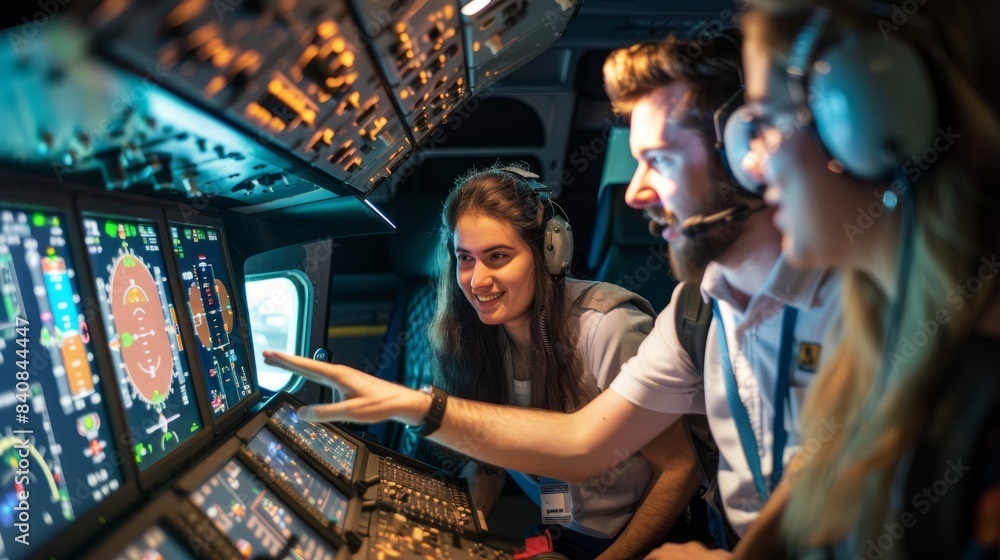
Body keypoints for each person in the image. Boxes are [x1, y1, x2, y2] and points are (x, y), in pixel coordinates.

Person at [262, 29, 841, 549]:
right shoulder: (693, 310)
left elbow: (713, 475)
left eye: (657, 159)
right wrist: (419, 407)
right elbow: (583, 440)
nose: (635, 192)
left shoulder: (843, 306)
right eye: (466, 260)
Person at [720, 0, 1000, 557]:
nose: (752, 164)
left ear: (875, 120)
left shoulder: (985, 398)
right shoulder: (876, 347)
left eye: (769, 122)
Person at [426, 163, 702, 559]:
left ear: (550, 253)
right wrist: (454, 534)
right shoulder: (475, 339)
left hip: (643, 539)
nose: (476, 280)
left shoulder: (607, 328)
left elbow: (680, 469)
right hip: (560, 531)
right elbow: (488, 464)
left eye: (498, 256)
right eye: (465, 258)